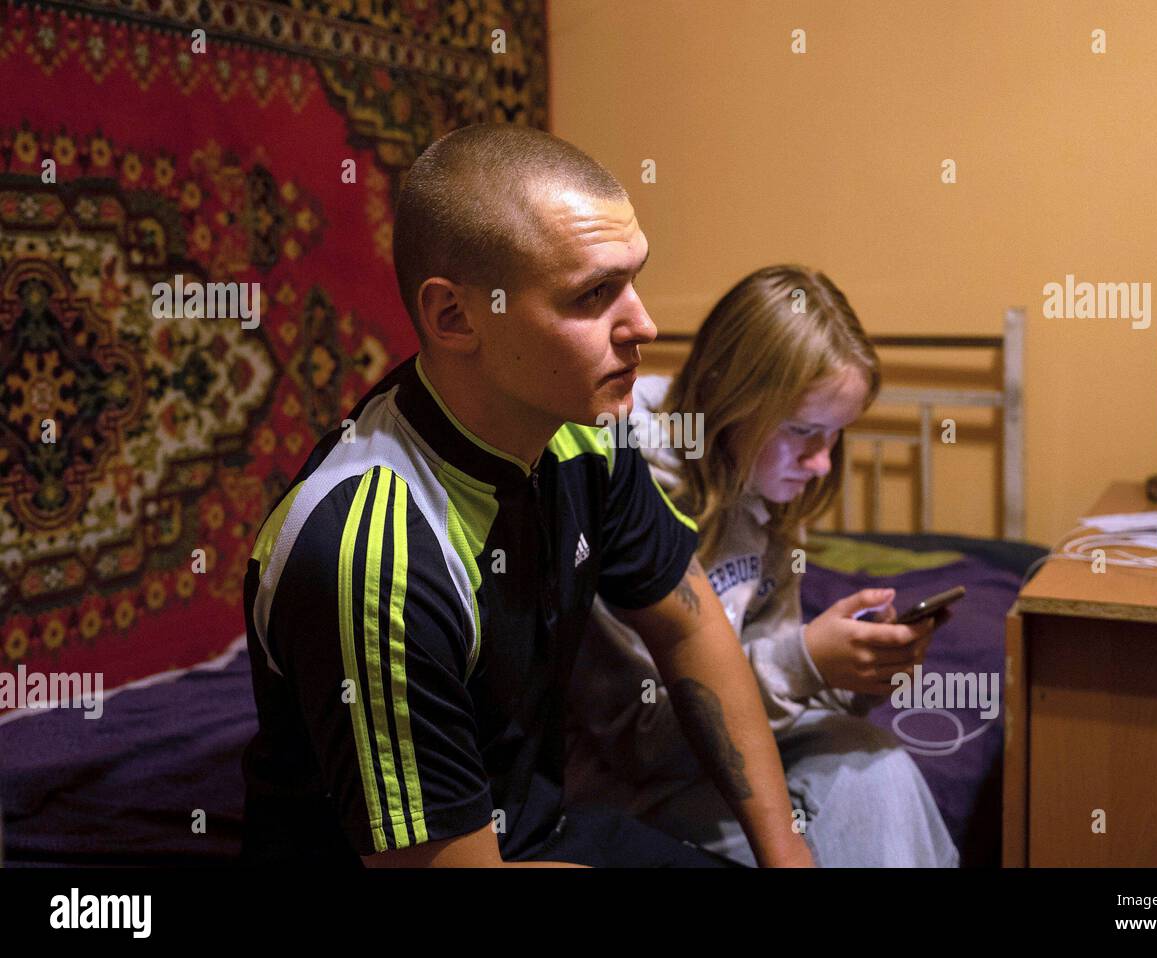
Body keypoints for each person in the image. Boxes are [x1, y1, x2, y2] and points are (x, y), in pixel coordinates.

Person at [238, 125, 815, 867]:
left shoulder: (583, 431)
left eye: (633, 279)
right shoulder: (376, 555)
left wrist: (787, 852)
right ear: (454, 317)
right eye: (593, 295)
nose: (644, 325)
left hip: (541, 834)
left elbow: (687, 622)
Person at [565, 265, 961, 867]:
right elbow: (640, 743)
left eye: (836, 436)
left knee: (875, 762)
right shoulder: (621, 485)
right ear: (730, 397)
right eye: (803, 430)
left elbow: (771, 665)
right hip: (635, 787)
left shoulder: (765, 487)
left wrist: (849, 670)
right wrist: (805, 663)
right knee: (864, 787)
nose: (822, 464)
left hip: (740, 761)